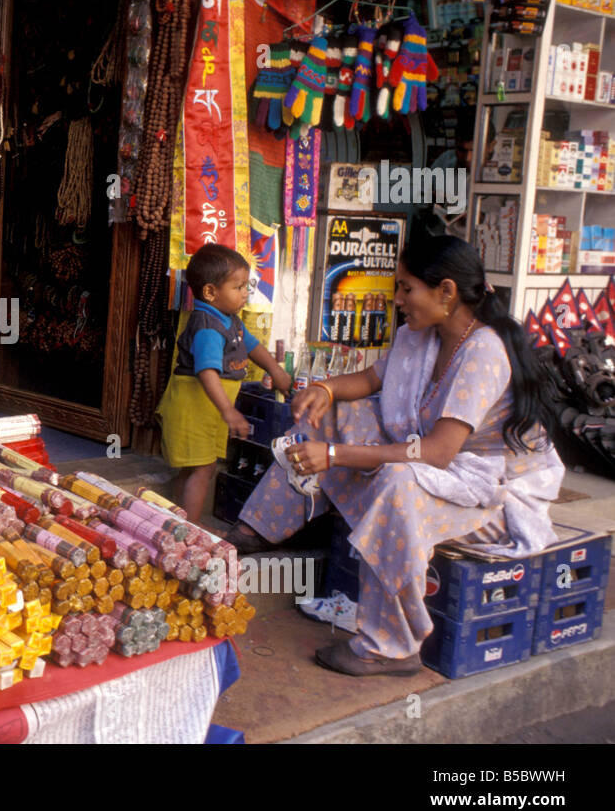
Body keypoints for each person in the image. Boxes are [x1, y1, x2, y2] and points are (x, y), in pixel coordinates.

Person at [228, 235, 563, 676]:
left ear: (446, 291)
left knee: (396, 482)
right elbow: (371, 379)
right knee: (330, 416)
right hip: (438, 465)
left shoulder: (483, 350)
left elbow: (439, 452)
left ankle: (393, 646)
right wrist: (325, 389)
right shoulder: (420, 336)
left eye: (407, 289)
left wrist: (335, 455)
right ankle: (257, 529)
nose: (399, 299)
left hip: (492, 500)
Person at [157, 244, 292, 526]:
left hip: (206, 410)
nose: (246, 293)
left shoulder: (230, 320)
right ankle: (191, 530)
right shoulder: (207, 327)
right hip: (194, 407)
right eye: (239, 287)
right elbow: (206, 372)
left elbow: (252, 346)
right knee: (203, 469)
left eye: (246, 286)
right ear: (210, 292)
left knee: (193, 468)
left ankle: (178, 524)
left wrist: (275, 370)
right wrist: (228, 412)